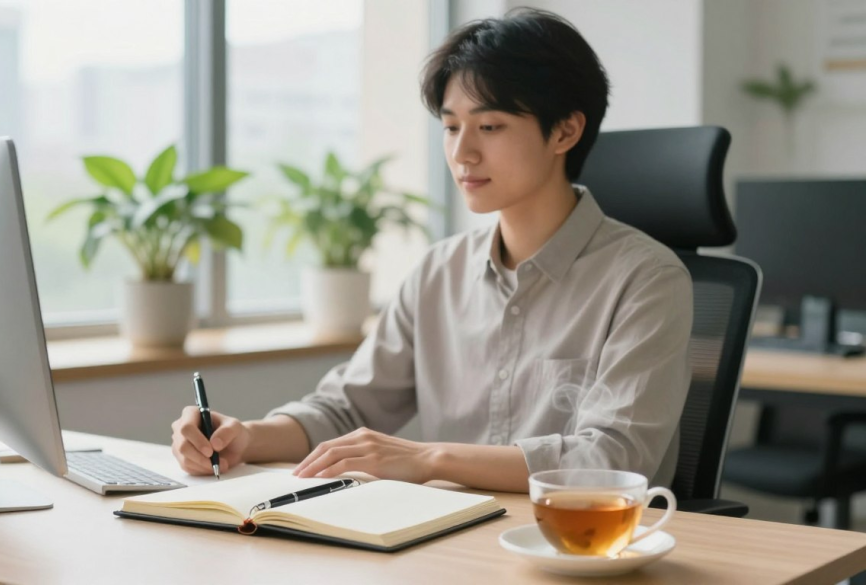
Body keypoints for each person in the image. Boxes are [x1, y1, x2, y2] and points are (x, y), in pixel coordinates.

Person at [171, 7, 693, 492]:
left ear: (565, 131)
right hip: (445, 538)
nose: (462, 153)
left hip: (574, 545)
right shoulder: (439, 272)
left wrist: (426, 459)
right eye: (450, 127)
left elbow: (614, 460)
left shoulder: (646, 279)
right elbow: (345, 408)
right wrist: (244, 437)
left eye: (489, 126)